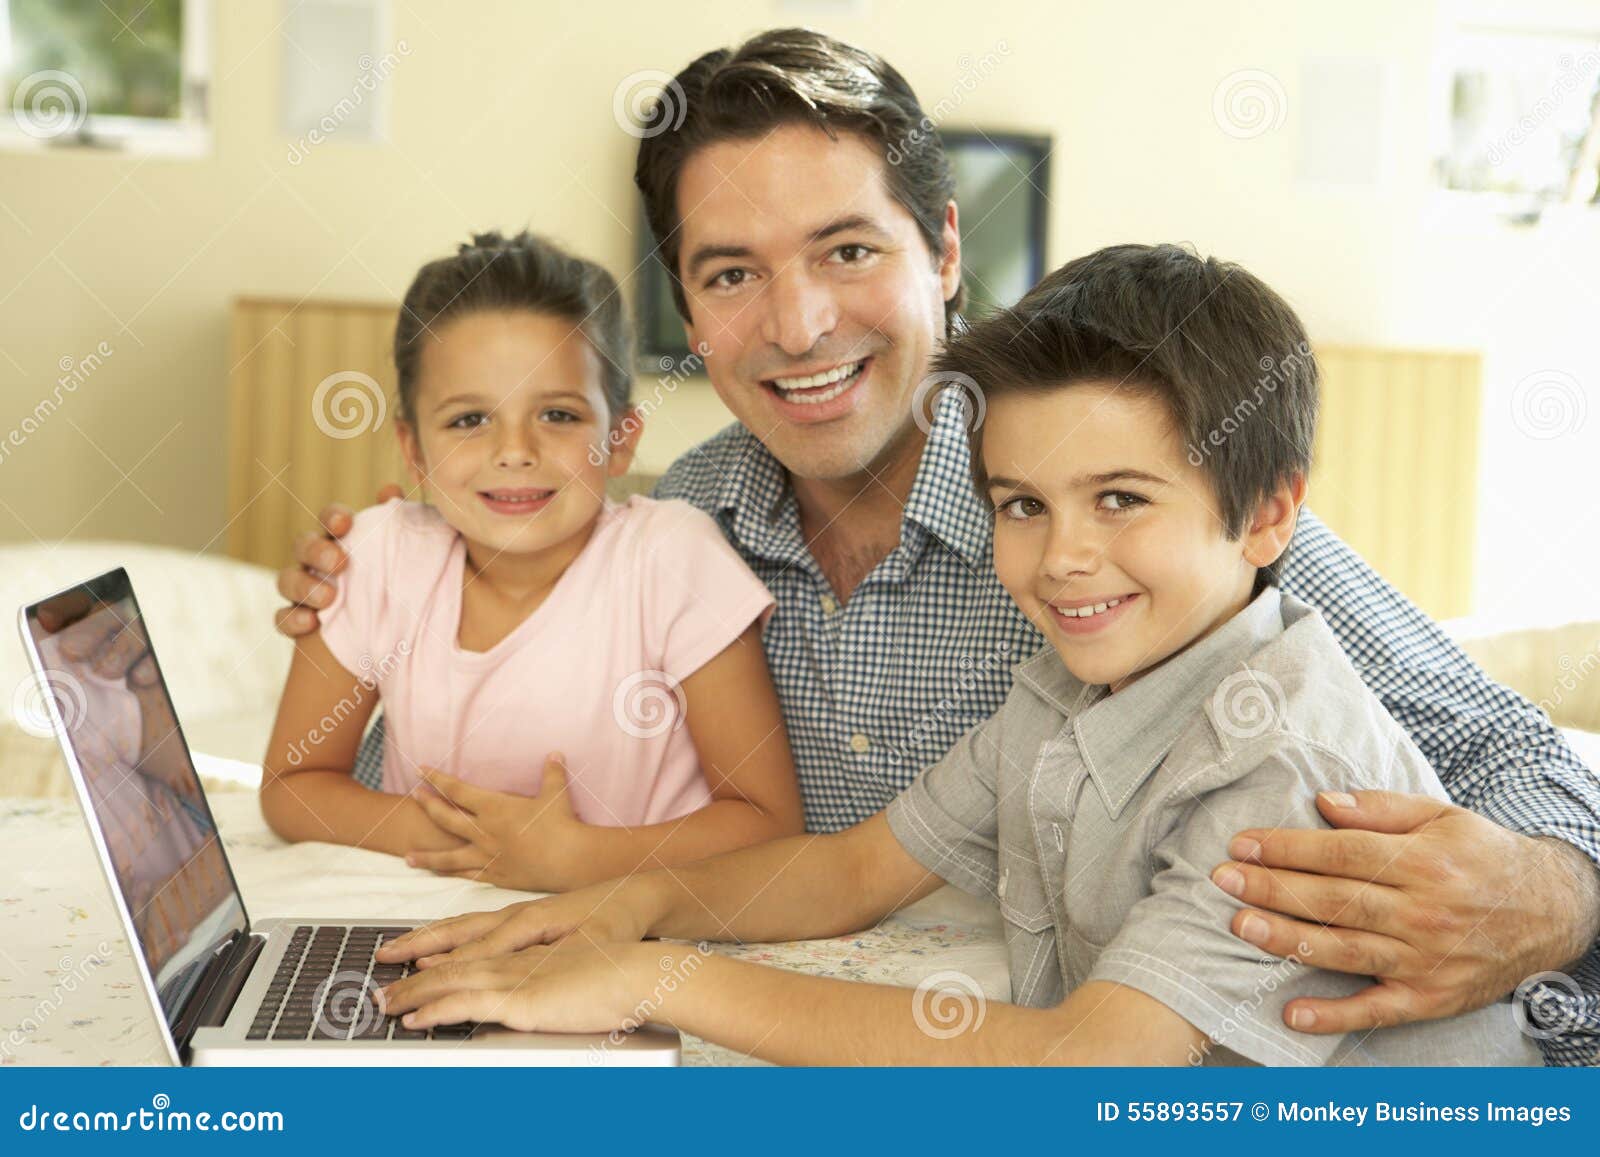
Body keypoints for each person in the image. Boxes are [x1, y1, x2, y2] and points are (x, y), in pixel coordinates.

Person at [272, 29, 1600, 1057]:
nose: (795, 326)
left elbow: (1516, 763)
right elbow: (454, 762)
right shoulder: (667, 530)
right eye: (732, 273)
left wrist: (1554, 900)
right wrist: (391, 591)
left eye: (846, 250)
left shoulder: (1175, 530)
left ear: (946, 249)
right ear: (688, 304)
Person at [371, 246, 1540, 1064]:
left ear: (1270, 514)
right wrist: (609, 911)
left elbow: (1084, 1070)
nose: (1062, 559)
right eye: (1022, 505)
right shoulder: (1064, 688)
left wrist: (650, 979)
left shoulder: (1277, 767)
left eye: (1120, 498)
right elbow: (845, 874)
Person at [259, 230, 802, 891]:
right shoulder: (377, 556)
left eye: (557, 413)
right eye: (467, 420)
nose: (514, 450)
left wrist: (572, 860)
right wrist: (477, 843)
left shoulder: (674, 561)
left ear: (621, 438)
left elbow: (768, 822)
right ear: (413, 448)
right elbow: (293, 785)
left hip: (629, 940)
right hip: (427, 928)